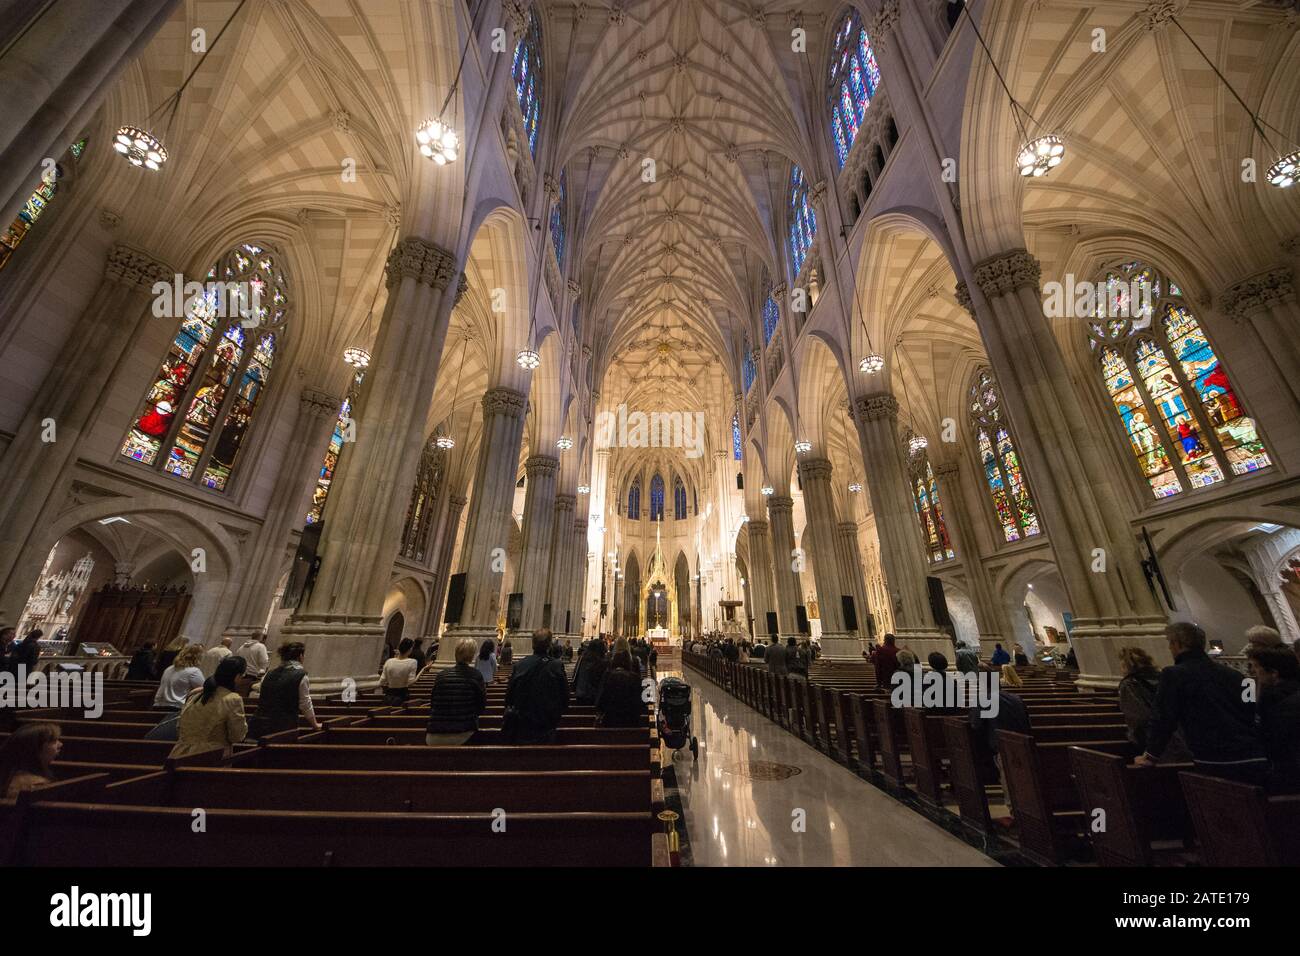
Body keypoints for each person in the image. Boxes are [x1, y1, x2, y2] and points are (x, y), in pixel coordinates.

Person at [1135, 622, 1266, 783]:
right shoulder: (1236, 675)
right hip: (1253, 755)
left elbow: (1163, 717)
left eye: (1170, 643)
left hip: (1214, 758)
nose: (1170, 648)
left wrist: (1151, 755)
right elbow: (1253, 710)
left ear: (1178, 644)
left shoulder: (1173, 675)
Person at [1116, 646, 1191, 762]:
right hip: (1184, 737)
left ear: (1124, 664)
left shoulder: (1129, 684)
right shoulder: (1164, 678)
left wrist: (1150, 752)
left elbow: (1139, 718)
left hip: (1155, 744)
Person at [170, 656, 249, 759]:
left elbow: (179, 727)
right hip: (210, 757)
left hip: (179, 753)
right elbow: (237, 736)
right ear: (237, 677)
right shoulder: (232, 699)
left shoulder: (196, 695)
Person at [1245, 645, 1300, 790]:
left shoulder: (1270, 697)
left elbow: (1259, 727)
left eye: (1256, 667)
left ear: (1274, 673)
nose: (1253, 671)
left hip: (1286, 768)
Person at [502, 628, 569, 744]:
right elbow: (565, 697)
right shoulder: (556, 666)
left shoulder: (520, 665)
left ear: (532, 645)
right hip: (547, 727)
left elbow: (509, 698)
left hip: (522, 726)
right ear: (549, 646)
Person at [426, 639, 488, 745]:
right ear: (472, 655)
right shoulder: (475, 675)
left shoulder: (441, 676)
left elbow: (433, 704)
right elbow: (481, 708)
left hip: (433, 735)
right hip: (463, 735)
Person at [252, 642, 322, 736]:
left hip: (261, 724)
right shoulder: (300, 675)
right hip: (284, 726)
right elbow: (305, 704)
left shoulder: (269, 674)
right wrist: (315, 724)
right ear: (300, 656)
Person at [0, 722, 61, 799]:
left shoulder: (10, 775)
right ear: (35, 749)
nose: (60, 744)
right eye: (53, 741)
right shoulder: (36, 786)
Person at [595, 649, 647, 728]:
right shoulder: (635, 678)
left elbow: (600, 702)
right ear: (628, 662)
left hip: (609, 724)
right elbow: (641, 704)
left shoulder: (607, 676)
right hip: (631, 724)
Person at [153, 643, 205, 710]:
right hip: (174, 708)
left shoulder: (169, 668)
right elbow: (205, 688)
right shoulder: (193, 671)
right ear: (198, 657)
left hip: (157, 706)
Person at [380, 638, 419, 705]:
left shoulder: (389, 661)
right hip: (402, 695)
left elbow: (382, 681)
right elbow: (411, 682)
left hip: (389, 694)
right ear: (410, 649)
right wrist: (422, 671)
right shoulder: (412, 662)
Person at [573, 638, 609, 706]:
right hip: (594, 699)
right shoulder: (603, 663)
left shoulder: (582, 659)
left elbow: (575, 675)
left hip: (580, 696)